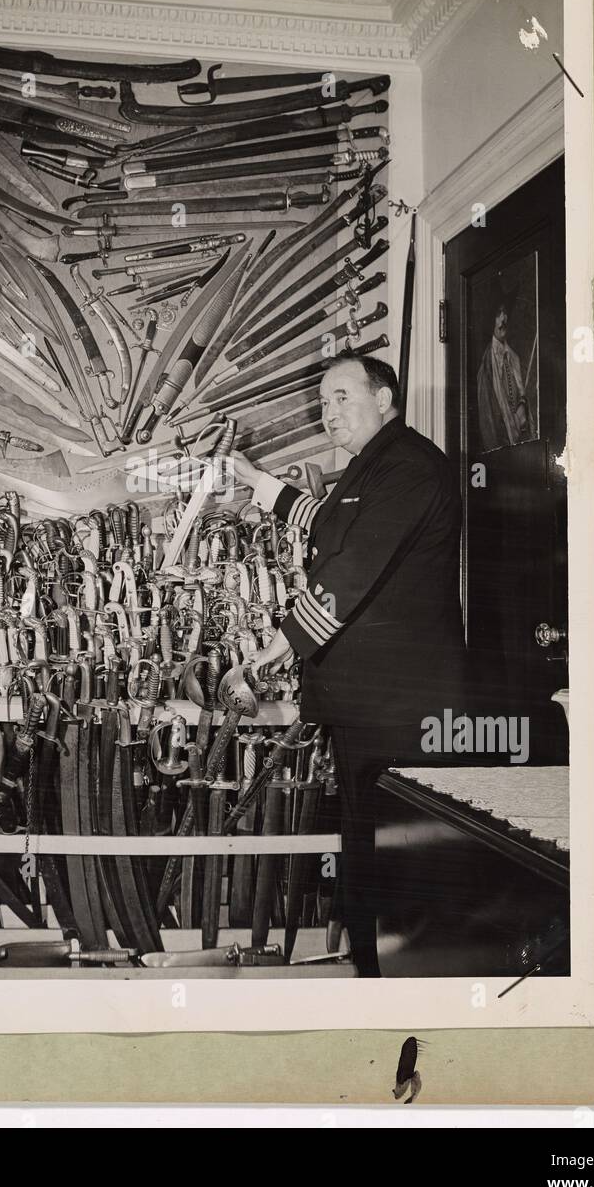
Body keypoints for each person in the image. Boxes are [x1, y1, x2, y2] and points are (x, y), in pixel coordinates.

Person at [229, 350, 466, 975]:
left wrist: (271, 653)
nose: (327, 412)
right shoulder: (376, 467)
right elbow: (329, 524)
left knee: (392, 850)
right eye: (322, 402)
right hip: (368, 702)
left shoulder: (411, 468)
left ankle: (401, 980)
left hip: (401, 704)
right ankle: (372, 973)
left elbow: (350, 570)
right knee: (363, 846)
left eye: (340, 397)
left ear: (383, 398)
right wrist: (255, 481)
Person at [476, 299, 531, 450]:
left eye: (505, 313)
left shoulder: (514, 358)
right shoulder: (486, 366)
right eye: (498, 314)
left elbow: (522, 395)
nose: (503, 319)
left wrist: (522, 405)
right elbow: (487, 422)